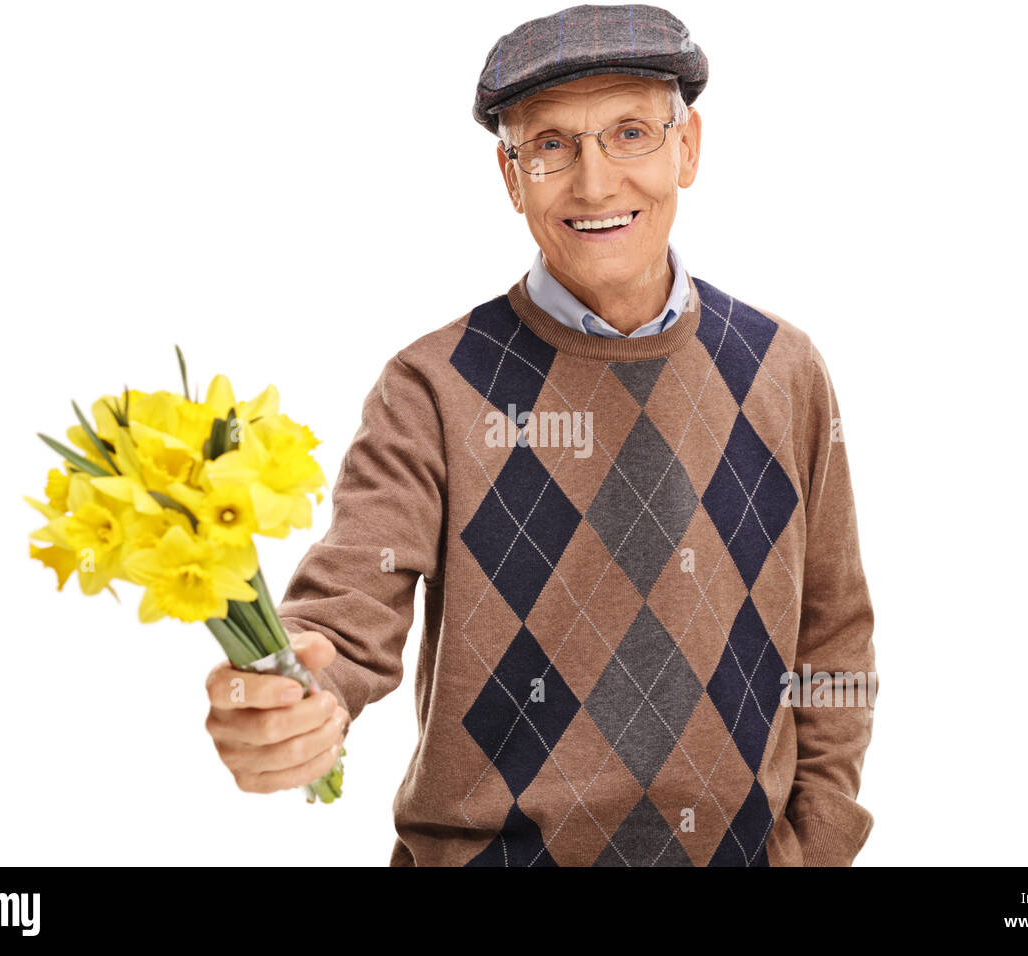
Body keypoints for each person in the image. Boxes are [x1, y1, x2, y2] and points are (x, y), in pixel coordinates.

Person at [203, 2, 878, 867]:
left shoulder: (784, 370)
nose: (595, 185)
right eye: (551, 145)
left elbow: (834, 637)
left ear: (689, 147)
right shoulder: (432, 386)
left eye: (631, 132)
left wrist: (814, 847)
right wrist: (301, 688)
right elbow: (349, 601)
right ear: (510, 177)